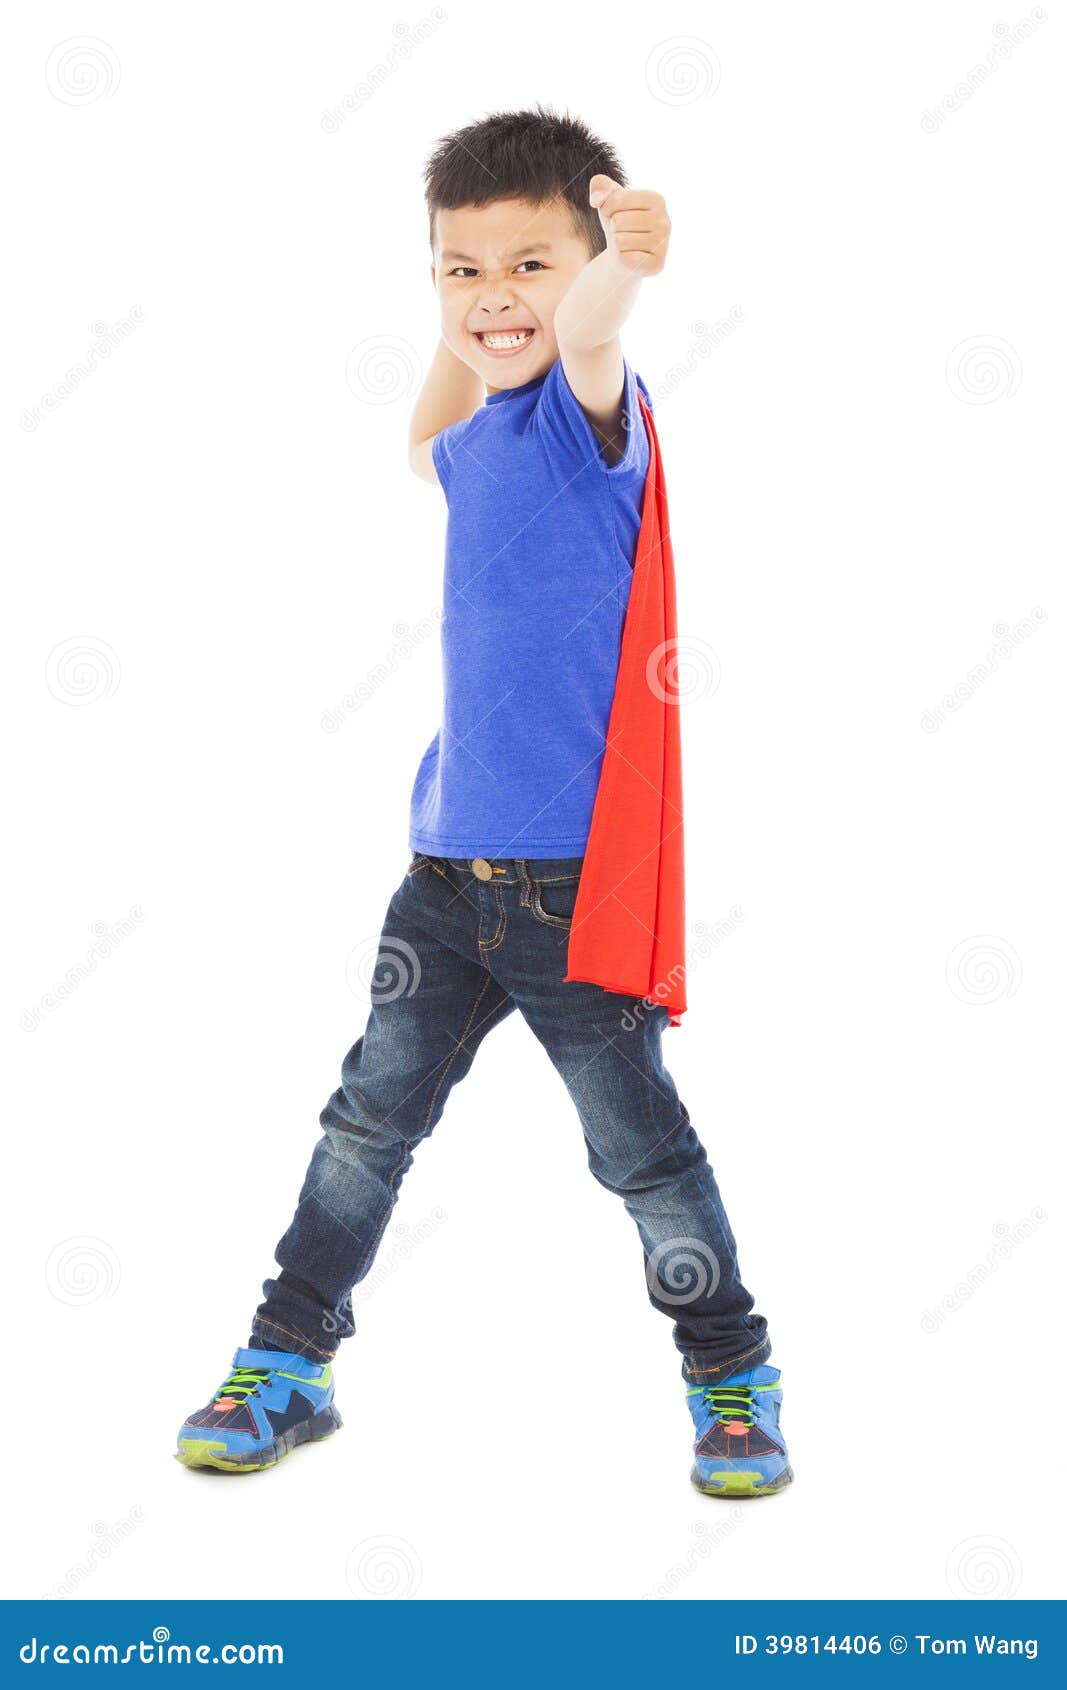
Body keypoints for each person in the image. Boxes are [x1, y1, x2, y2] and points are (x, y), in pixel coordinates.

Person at [175, 106, 792, 1498]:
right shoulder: (477, 433)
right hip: (444, 875)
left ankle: (733, 1375)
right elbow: (419, 438)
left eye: (529, 264)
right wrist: (460, 330)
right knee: (365, 1122)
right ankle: (289, 1358)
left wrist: (621, 270)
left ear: (580, 268)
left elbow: (589, 336)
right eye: (463, 269)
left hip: (569, 889)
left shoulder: (589, 421)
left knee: (640, 1154)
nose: (495, 296)